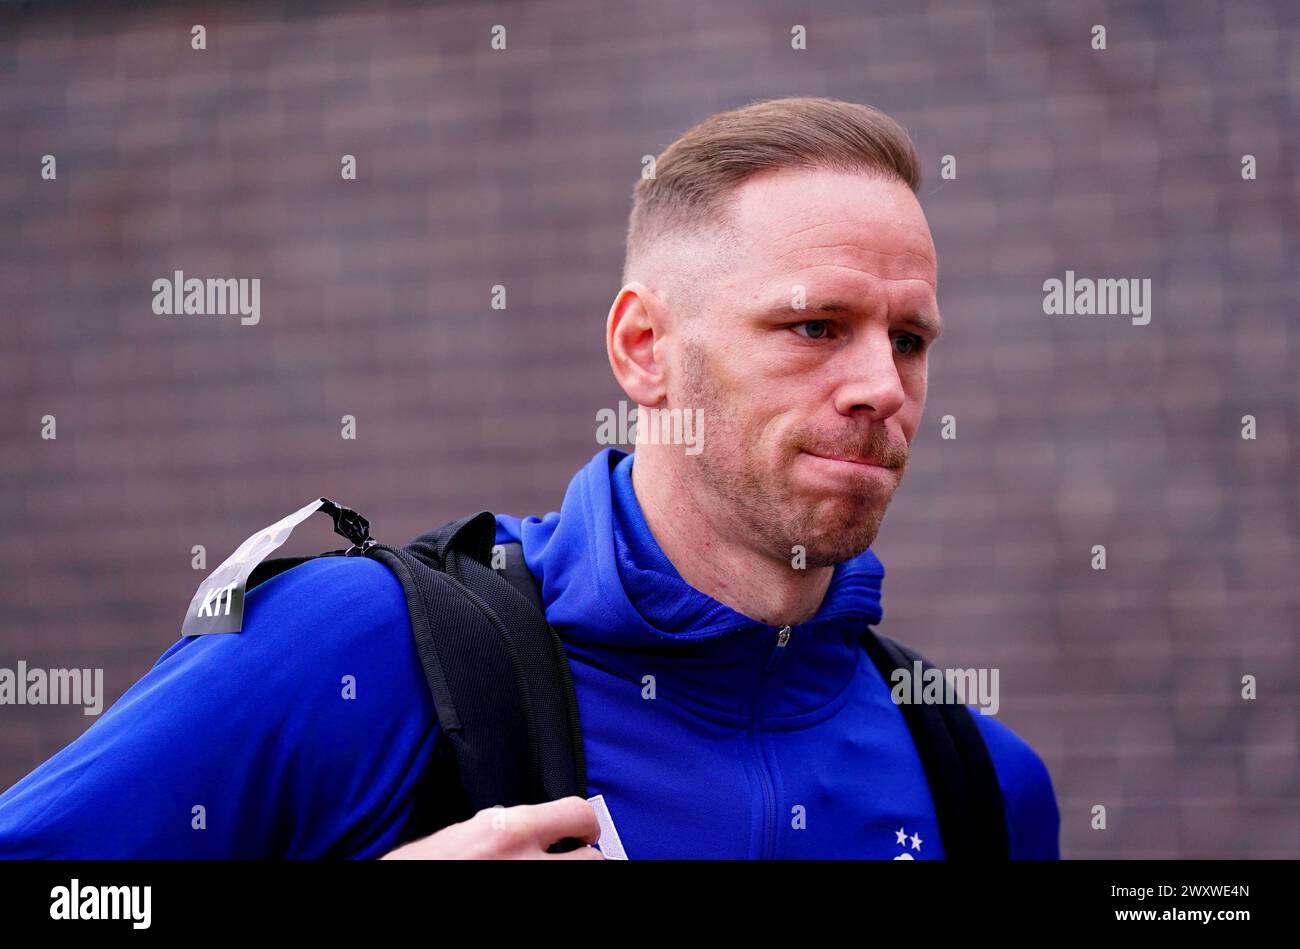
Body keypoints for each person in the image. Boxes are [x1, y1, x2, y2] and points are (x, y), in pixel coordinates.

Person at [0, 96, 1059, 859]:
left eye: (910, 339)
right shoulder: (355, 650)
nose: (882, 384)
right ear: (644, 347)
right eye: (813, 325)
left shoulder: (981, 782)